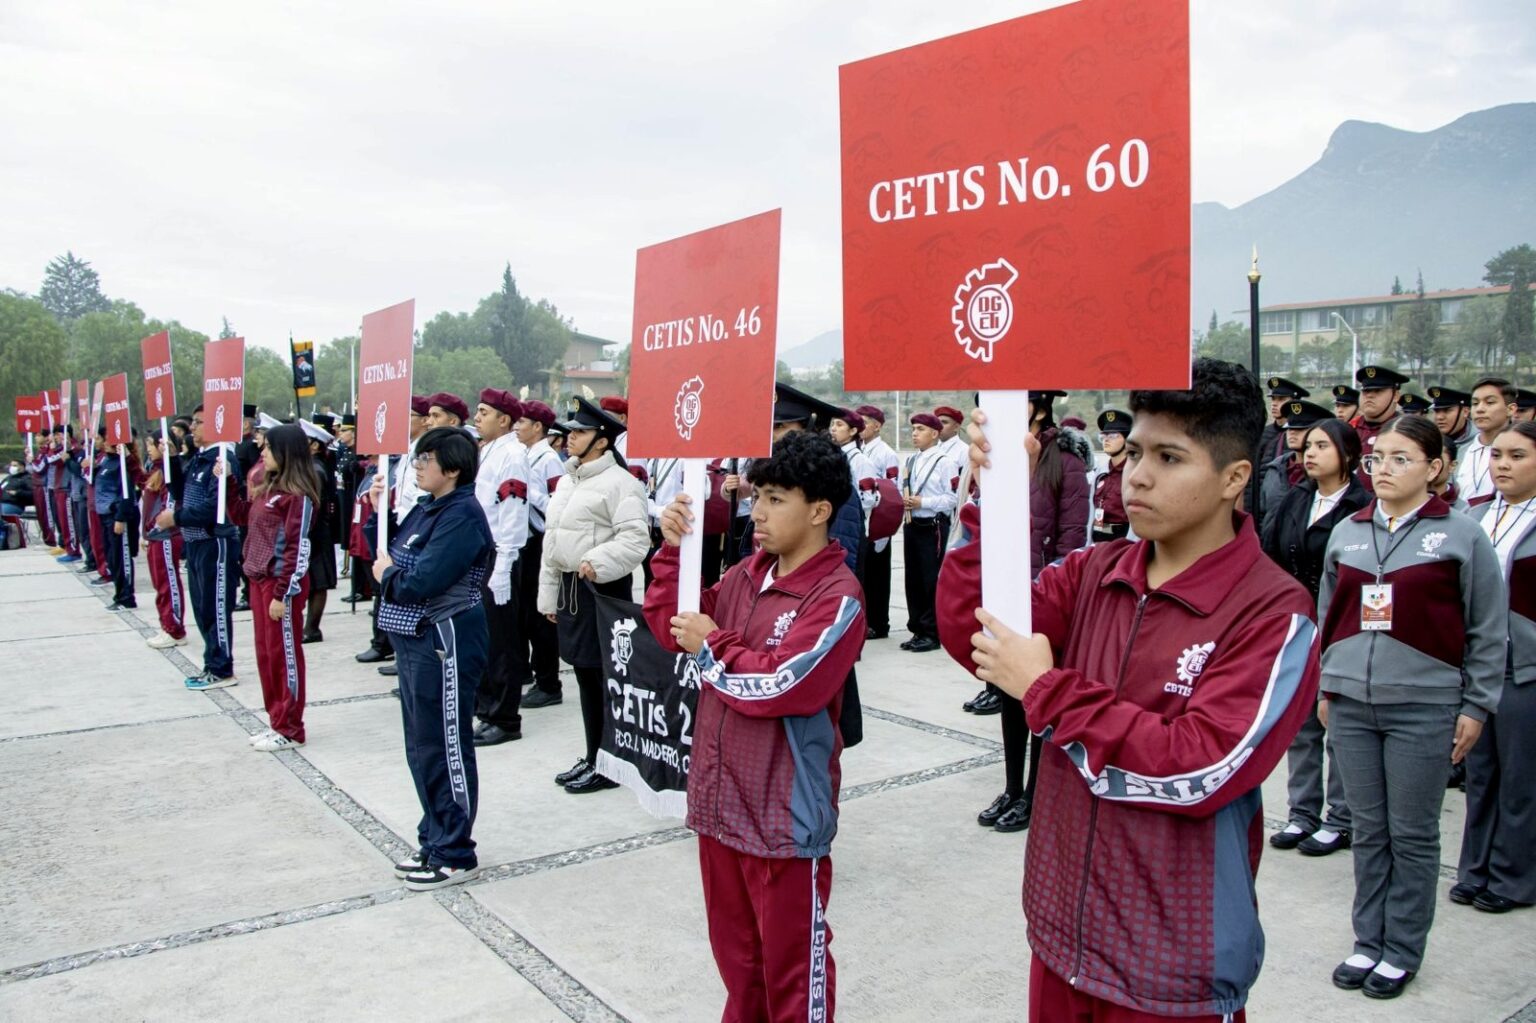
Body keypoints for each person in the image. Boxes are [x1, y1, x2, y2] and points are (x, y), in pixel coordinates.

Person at [938, 358, 1320, 1021]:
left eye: (1170, 457)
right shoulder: (1094, 570)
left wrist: (1047, 691)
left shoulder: (1274, 612)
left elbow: (1200, 765)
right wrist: (996, 502)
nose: (1137, 473)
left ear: (1235, 477)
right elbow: (976, 632)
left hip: (1172, 969)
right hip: (1062, 939)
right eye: (1136, 451)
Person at [644, 429, 865, 1023]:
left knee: (795, 976)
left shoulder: (836, 596)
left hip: (782, 822)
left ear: (818, 511)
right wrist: (673, 554)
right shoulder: (747, 574)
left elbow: (783, 685)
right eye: (758, 495)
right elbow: (672, 626)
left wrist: (712, 647)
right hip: (721, 809)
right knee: (741, 971)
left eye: (775, 499)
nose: (757, 511)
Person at [1318, 414, 1505, 999]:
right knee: (1368, 829)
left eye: (1402, 458)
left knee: (1414, 834)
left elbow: (1486, 627)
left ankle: (1401, 949)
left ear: (1435, 467)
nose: (1385, 469)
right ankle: (1367, 940)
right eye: (1377, 458)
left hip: (1424, 707)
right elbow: (1330, 616)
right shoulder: (1347, 530)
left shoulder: (1459, 534)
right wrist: (1326, 685)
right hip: (1350, 702)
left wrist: (1476, 704)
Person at [371, 427, 493, 890]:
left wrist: (389, 575)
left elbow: (418, 580)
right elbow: (389, 555)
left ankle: (456, 851)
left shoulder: (461, 514)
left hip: (445, 638)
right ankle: (435, 836)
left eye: (426, 459)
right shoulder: (429, 509)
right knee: (421, 744)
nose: (417, 467)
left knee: (445, 743)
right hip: (414, 639)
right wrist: (375, 512)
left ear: (453, 468)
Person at [964, 389, 1091, 837]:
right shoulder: (996, 458)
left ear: (1035, 408)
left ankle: (1036, 795)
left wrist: (1048, 593)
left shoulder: (1065, 461)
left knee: (1038, 697)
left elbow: (1072, 538)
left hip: (1045, 600)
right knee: (1009, 699)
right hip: (1005, 595)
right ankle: (1012, 787)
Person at [1262, 417, 1370, 856]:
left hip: (1344, 623)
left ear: (1347, 454)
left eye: (1322, 446)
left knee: (1338, 723)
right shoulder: (1297, 498)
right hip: (1298, 622)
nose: (1309, 454)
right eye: (1307, 446)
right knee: (1301, 724)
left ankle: (1340, 818)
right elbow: (1270, 552)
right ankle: (1301, 812)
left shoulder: (1363, 505)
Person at [538, 397, 649, 794]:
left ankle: (609, 762)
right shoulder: (570, 480)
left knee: (602, 677)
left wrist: (597, 561)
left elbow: (637, 539)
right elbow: (553, 541)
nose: (570, 438)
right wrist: (549, 598)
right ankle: (593, 754)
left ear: (603, 441)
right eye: (570, 431)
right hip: (571, 588)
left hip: (600, 588)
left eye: (581, 432)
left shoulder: (621, 483)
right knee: (584, 675)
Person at [1453, 420, 1536, 914]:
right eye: (1498, 455)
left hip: (1525, 666)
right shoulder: (1473, 515)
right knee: (1480, 771)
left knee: (1521, 777)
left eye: (1517, 456)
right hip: (1477, 665)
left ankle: (1513, 876)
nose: (1503, 464)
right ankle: (1474, 868)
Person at [156, 405, 246, 691]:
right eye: (193, 423)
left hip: (214, 542)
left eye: (198, 423)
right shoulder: (199, 458)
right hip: (195, 543)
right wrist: (170, 459)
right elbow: (181, 491)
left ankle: (221, 668)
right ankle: (211, 664)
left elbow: (214, 507)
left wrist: (176, 518)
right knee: (202, 609)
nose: (192, 428)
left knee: (216, 607)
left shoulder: (223, 457)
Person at [242, 424, 319, 753]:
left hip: (279, 585)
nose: (263, 454)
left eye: (269, 449)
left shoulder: (297, 496)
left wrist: (283, 593)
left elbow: (295, 548)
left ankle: (290, 726)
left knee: (284, 656)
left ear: (286, 453)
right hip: (259, 579)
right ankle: (275, 719)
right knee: (265, 654)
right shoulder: (267, 488)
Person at [470, 388, 531, 748]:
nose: (477, 418)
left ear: (504, 419)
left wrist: (505, 561)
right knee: (485, 636)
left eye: (484, 412)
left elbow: (512, 510)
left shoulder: (511, 454)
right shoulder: (489, 450)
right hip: (484, 551)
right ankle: (487, 707)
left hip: (500, 552)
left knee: (503, 640)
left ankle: (505, 717)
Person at [513, 399, 565, 708]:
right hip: (523, 540)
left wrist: (527, 492)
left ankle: (549, 682)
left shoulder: (548, 459)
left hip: (541, 541)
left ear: (538, 427)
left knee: (540, 616)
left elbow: (557, 505)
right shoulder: (524, 455)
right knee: (524, 614)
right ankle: (529, 671)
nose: (517, 426)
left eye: (523, 422)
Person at [900, 413, 959, 654]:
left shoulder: (945, 461)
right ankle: (917, 628)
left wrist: (923, 502)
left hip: (932, 526)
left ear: (934, 434)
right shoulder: (911, 460)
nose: (915, 433)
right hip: (912, 524)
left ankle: (931, 632)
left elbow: (952, 498)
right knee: (912, 580)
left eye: (920, 429)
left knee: (930, 579)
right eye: (913, 428)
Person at [855, 404, 900, 640]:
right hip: (864, 521)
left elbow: (893, 488)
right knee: (864, 571)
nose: (860, 426)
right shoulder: (858, 450)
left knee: (878, 574)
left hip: (879, 520)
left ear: (877, 426)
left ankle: (879, 623)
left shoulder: (886, 453)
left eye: (864, 421)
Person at [1258, 399, 1333, 536]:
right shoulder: (1275, 468)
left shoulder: (1326, 472)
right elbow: (1263, 511)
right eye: (1290, 428)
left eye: (1301, 429)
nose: (1292, 433)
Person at [142, 430, 189, 649]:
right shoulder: (155, 470)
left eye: (151, 445)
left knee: (168, 582)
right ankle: (166, 624)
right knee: (159, 583)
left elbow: (169, 503)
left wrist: (155, 526)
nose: (148, 449)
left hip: (166, 536)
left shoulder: (169, 472)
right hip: (154, 536)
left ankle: (175, 628)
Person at [298, 417, 340, 643]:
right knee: (313, 581)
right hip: (315, 531)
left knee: (318, 582)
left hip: (316, 532)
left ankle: (312, 628)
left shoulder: (315, 469)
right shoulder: (311, 466)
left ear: (314, 445)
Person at [97, 429, 144, 611]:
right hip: (105, 515)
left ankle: (126, 597)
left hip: (118, 516)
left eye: (110, 439)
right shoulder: (105, 460)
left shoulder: (123, 464)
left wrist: (120, 517)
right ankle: (119, 593)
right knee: (112, 558)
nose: (105, 442)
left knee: (121, 557)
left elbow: (128, 494)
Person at [1456, 377, 1518, 504]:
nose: (1480, 409)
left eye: (1489, 403)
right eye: (1475, 403)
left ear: (1510, 409)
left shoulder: (1524, 453)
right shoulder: (1459, 451)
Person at [1353, 364, 1409, 490]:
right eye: (1366, 391)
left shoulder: (1407, 432)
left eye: (1378, 391)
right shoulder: (1350, 429)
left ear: (1395, 396)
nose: (1370, 396)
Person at [1091, 409, 1131, 542]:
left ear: (1127, 439)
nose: (1106, 440)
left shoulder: (1132, 473)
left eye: (1113, 436)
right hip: (1099, 535)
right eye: (1103, 436)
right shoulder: (1101, 473)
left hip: (1124, 540)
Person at [1260, 377, 1310, 465]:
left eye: (1281, 399)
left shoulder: (1301, 435)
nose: (1274, 404)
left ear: (1294, 403)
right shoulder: (1264, 433)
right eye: (1273, 399)